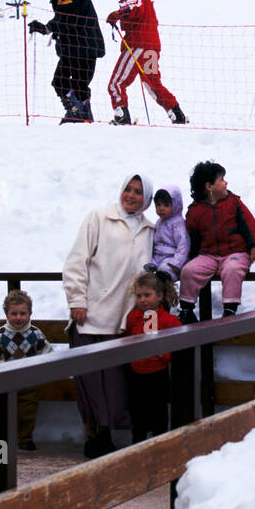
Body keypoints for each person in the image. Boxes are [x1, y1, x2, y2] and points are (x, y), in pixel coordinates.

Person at [63, 173, 156, 458]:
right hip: (91, 316)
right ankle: (95, 438)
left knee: (116, 388)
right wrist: (77, 299)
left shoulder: (149, 230)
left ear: (147, 198)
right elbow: (76, 261)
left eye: (138, 192)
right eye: (127, 189)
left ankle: (119, 436)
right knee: (91, 384)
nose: (130, 195)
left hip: (126, 320)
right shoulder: (99, 218)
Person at [177, 161, 255, 323]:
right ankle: (186, 309)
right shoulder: (195, 210)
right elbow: (192, 238)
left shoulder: (233, 202)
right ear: (209, 187)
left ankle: (230, 310)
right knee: (189, 270)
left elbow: (248, 223)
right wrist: (189, 257)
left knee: (232, 269)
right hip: (208, 255)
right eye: (222, 180)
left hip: (235, 252)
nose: (226, 183)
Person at [101, 0, 188, 126]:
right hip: (152, 46)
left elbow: (133, 7)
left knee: (116, 83)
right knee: (152, 82)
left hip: (138, 44)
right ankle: (176, 113)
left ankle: (121, 115)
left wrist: (117, 14)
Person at [0, 290, 52, 452]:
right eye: (14, 313)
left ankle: (25, 439)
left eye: (23, 313)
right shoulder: (0, 335)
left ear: (30, 313)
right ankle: (3, 440)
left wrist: (40, 366)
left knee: (27, 411)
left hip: (28, 381)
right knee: (2, 412)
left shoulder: (36, 334)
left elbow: (47, 353)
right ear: (6, 314)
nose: (18, 317)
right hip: (5, 383)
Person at [30, 0, 106, 123]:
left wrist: (47, 28)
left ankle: (79, 114)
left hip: (84, 45)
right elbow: (64, 19)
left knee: (75, 83)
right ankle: (77, 112)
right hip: (76, 46)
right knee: (63, 82)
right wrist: (54, 33)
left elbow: (68, 17)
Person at [121, 270, 181, 443]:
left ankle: (160, 441)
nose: (143, 300)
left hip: (158, 373)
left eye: (147, 295)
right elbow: (128, 339)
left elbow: (179, 342)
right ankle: (137, 441)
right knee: (137, 409)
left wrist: (165, 355)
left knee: (159, 410)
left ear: (160, 296)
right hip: (136, 373)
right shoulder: (134, 317)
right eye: (139, 296)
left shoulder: (167, 320)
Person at [147, 185, 190, 282]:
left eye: (166, 205)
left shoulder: (178, 223)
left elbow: (183, 245)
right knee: (147, 269)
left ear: (176, 205)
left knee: (164, 271)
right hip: (158, 257)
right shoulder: (159, 222)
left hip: (171, 258)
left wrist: (176, 263)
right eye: (158, 205)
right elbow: (155, 241)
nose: (161, 208)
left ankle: (164, 280)